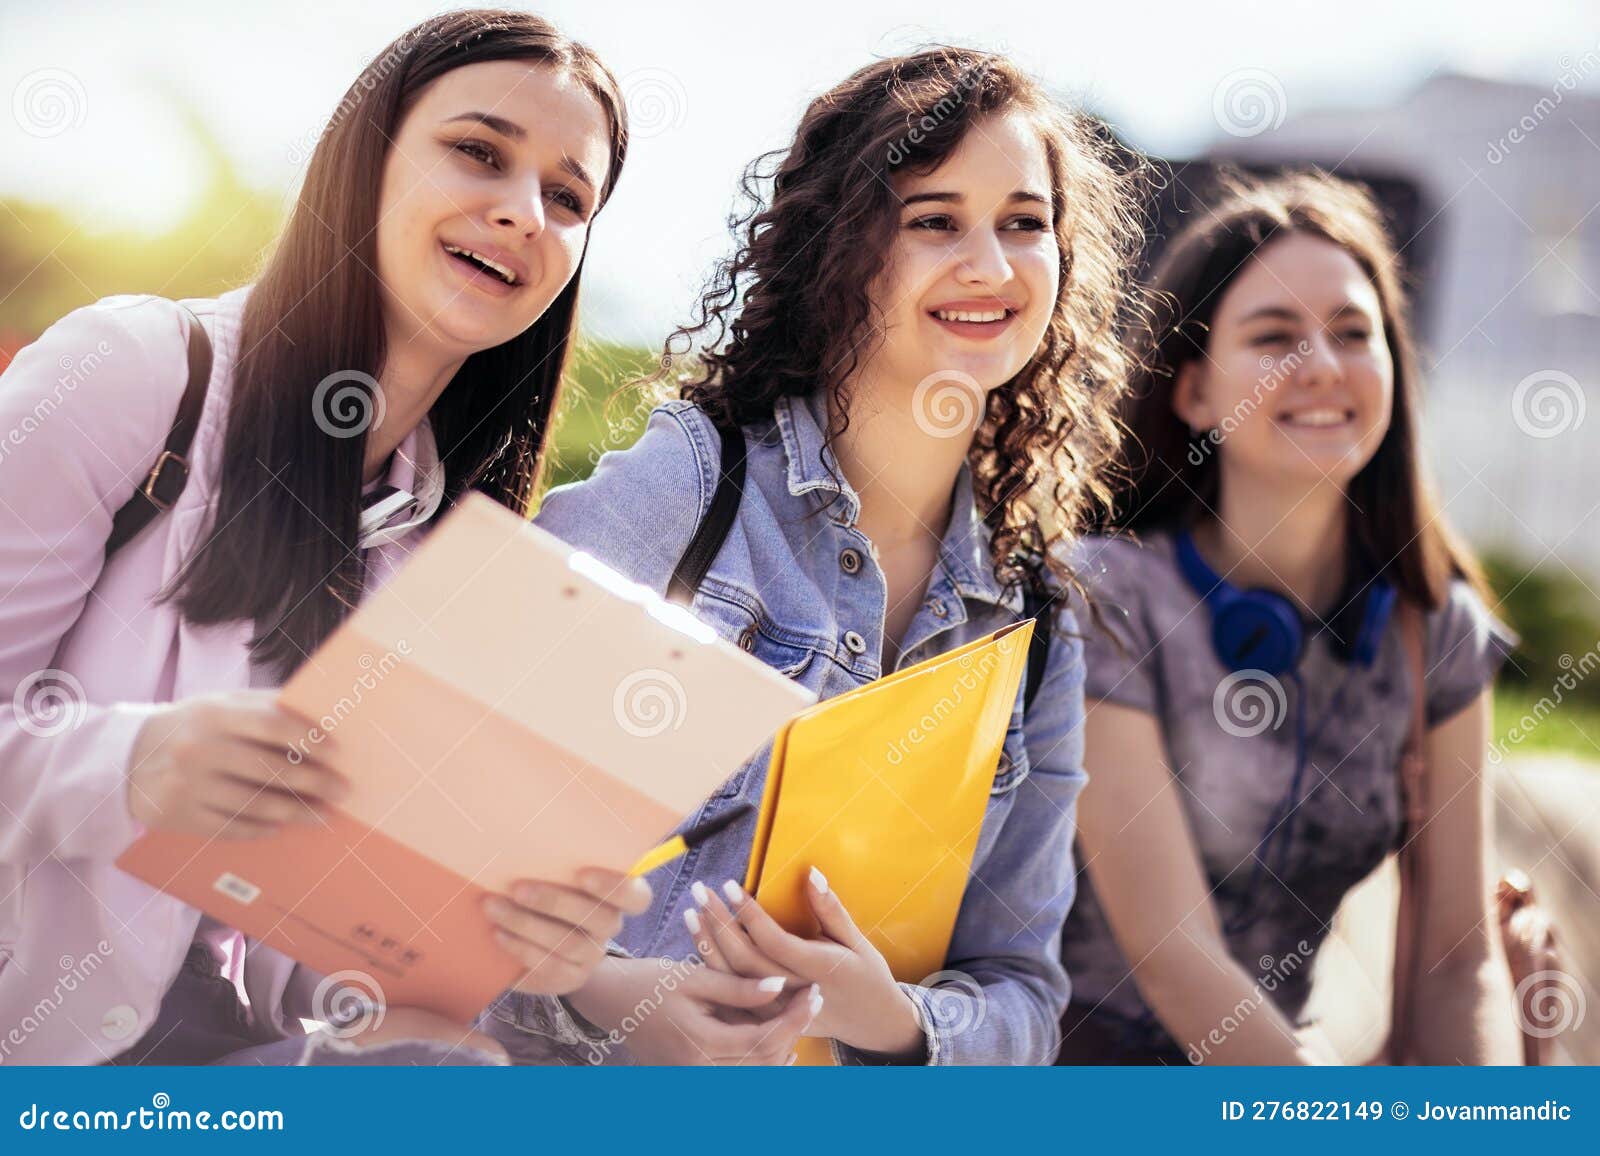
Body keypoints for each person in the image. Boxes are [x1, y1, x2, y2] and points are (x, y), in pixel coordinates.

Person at [0, 8, 651, 1066]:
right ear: (366, 159)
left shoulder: (442, 552)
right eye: (478, 152)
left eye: (566, 197)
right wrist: (128, 765)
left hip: (202, 1063)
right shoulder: (135, 375)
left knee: (458, 1070)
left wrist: (503, 942)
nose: (523, 213)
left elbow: (287, 953)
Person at [492, 48, 1146, 1065]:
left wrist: (890, 1020)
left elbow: (1021, 995)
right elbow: (433, 846)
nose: (991, 263)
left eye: (1025, 222)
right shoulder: (685, 495)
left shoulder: (1039, 621)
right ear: (841, 247)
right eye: (934, 220)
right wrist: (606, 997)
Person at [1057, 171, 1523, 1065]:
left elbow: (1459, 964)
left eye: (1354, 333)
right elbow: (1174, 958)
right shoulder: (1106, 595)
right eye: (1274, 336)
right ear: (1194, 394)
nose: (1320, 363)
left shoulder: (1437, 632)